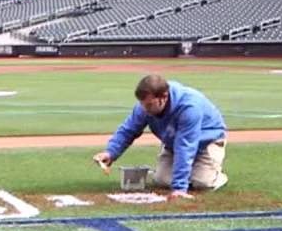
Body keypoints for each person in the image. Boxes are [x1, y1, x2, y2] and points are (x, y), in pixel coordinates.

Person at [93, 74, 229, 201]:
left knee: (202, 183)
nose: (144, 109)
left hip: (207, 141)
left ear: (164, 97)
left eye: (149, 105)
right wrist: (111, 153)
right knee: (161, 180)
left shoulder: (189, 107)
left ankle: (217, 176)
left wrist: (179, 188)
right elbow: (128, 130)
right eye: (142, 104)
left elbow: (185, 147)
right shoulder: (145, 105)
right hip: (174, 141)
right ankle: (191, 173)